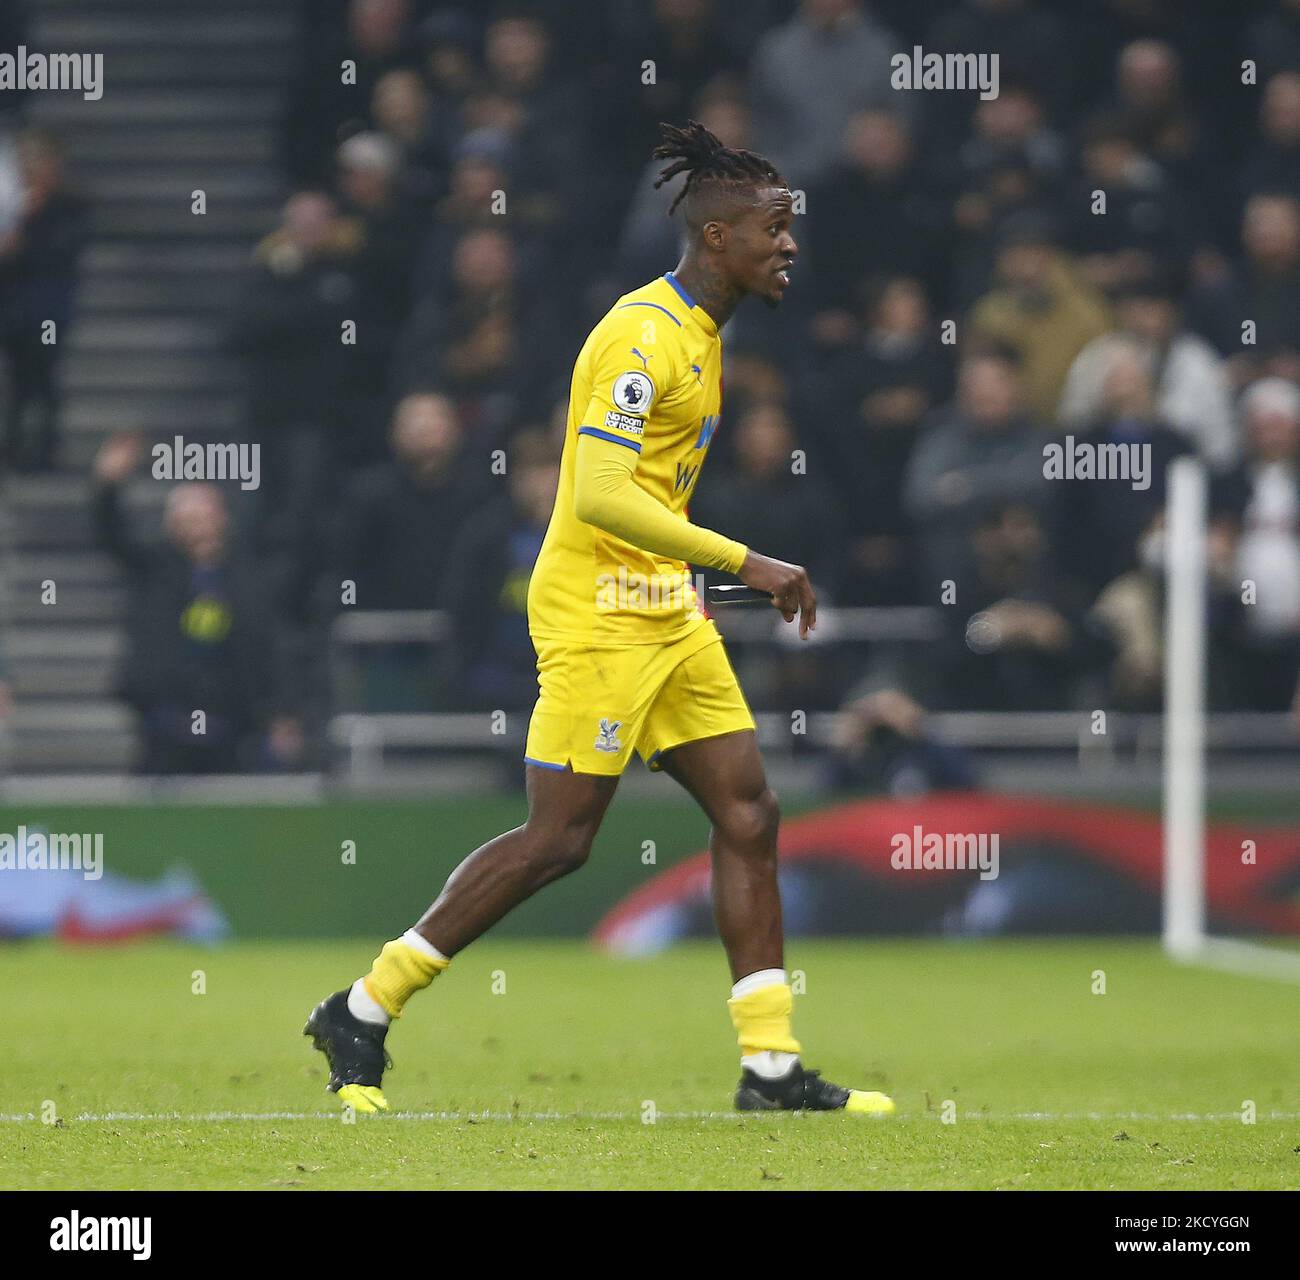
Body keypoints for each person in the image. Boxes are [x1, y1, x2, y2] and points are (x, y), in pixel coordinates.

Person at [304, 120, 894, 1118]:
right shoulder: (643, 336)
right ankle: (363, 1006)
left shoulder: (705, 334)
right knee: (557, 840)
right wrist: (745, 560)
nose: (789, 244)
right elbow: (599, 496)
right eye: (773, 228)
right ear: (717, 239)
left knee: (748, 811)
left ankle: (769, 1066)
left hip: (664, 604)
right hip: (597, 609)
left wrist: (696, 574)